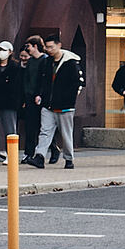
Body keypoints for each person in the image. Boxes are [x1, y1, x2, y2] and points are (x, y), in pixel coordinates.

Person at [28, 35, 83, 169]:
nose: (48, 50)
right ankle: (39, 156)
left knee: (66, 134)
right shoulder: (47, 63)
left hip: (64, 106)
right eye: (47, 47)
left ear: (59, 45)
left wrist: (68, 99)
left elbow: (77, 83)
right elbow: (43, 81)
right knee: (45, 131)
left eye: (51, 47)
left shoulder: (71, 63)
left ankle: (69, 159)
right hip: (48, 104)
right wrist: (40, 95)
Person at [20, 36, 50, 159]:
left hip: (40, 98)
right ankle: (29, 153)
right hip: (30, 97)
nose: (27, 49)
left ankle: (53, 148)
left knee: (42, 127)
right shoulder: (31, 61)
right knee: (30, 126)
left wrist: (40, 94)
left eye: (29, 46)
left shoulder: (45, 60)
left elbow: (44, 80)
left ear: (35, 46)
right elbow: (26, 79)